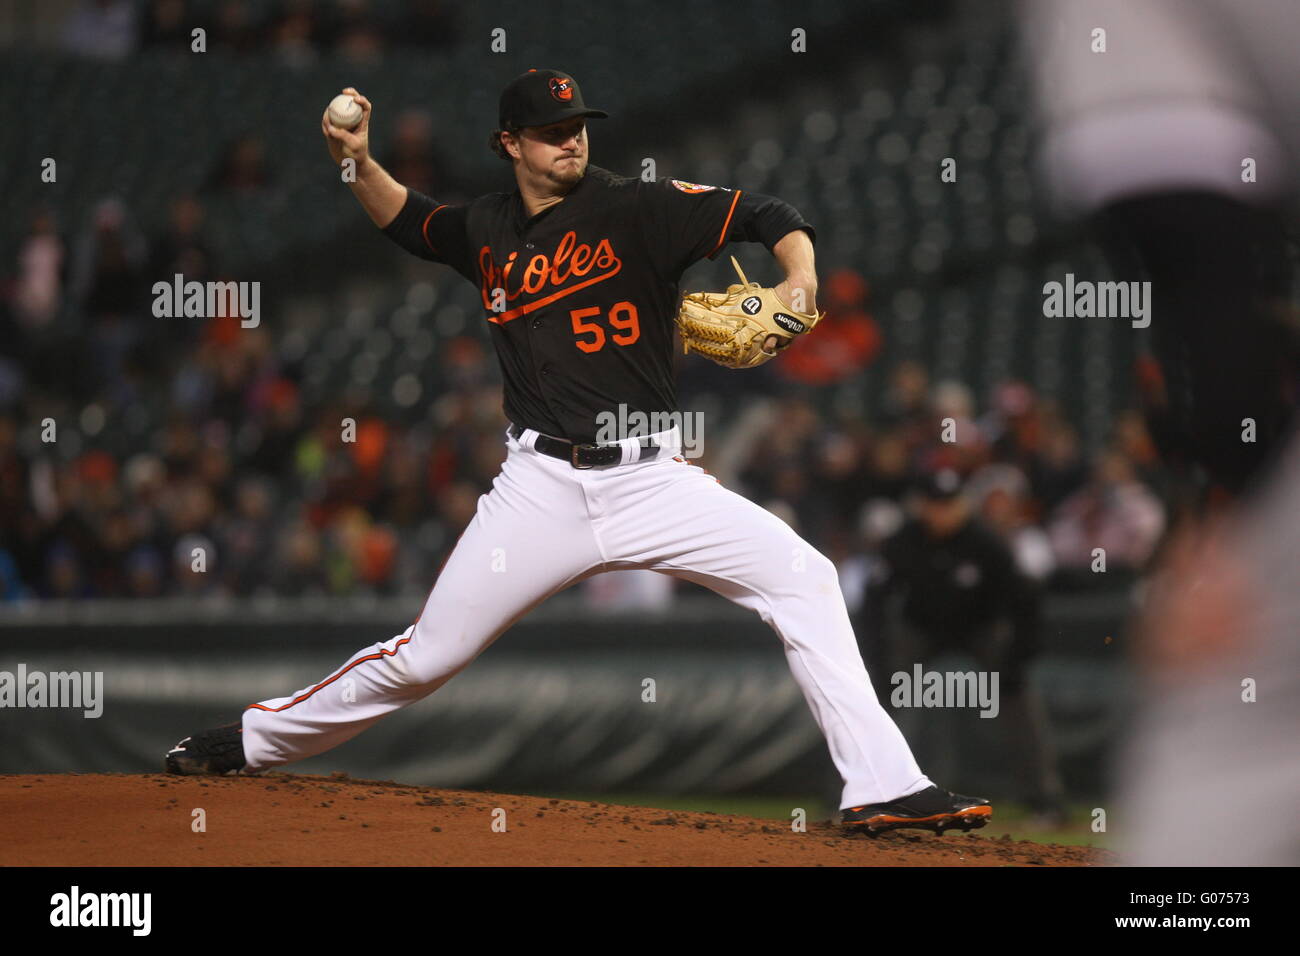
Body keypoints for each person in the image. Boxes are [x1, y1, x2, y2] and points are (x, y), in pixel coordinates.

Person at [165, 69, 990, 834]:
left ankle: (881, 786)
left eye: (579, 126)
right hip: (540, 487)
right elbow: (412, 222)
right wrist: (354, 161)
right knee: (425, 659)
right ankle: (253, 738)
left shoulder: (637, 206)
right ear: (509, 143)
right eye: (552, 129)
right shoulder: (486, 228)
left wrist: (799, 279)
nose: (572, 140)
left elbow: (769, 214)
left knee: (805, 576)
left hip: (652, 480)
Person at [865, 469, 1065, 823]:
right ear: (922, 506)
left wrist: (1015, 662)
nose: (943, 512)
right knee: (871, 699)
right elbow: (874, 602)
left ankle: (1045, 801)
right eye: (936, 504)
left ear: (963, 505)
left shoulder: (985, 542)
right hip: (921, 628)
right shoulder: (903, 542)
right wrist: (878, 662)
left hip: (980, 628)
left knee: (1018, 698)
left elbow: (1026, 599)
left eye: (950, 504)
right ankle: (854, 795)